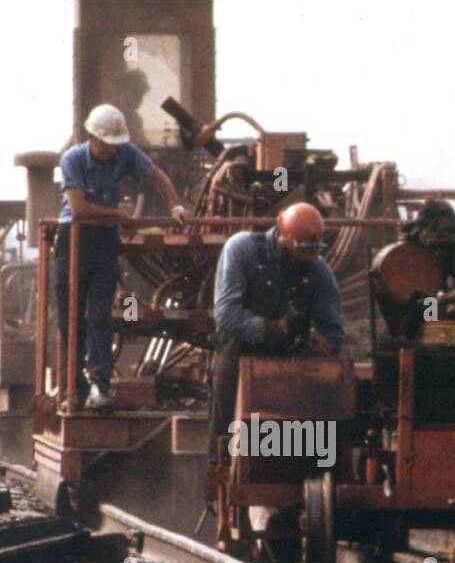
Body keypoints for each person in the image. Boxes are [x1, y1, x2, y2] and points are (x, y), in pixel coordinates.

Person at [55, 102, 188, 412]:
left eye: (117, 145)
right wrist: (119, 214)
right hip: (73, 239)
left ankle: (100, 388)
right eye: (107, 145)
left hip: (103, 241)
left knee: (101, 315)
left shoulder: (125, 152)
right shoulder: (73, 159)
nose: (113, 151)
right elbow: (78, 208)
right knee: (70, 318)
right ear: (92, 137)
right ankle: (74, 389)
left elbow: (159, 176)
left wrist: (176, 208)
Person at [208, 201, 345, 453]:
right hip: (240, 349)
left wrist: (321, 352)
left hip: (289, 352)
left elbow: (332, 329)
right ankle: (221, 463)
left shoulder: (318, 268)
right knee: (226, 412)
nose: (301, 263)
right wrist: (274, 328)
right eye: (296, 256)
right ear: (281, 233)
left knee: (312, 413)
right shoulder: (242, 249)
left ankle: (299, 464)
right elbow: (226, 312)